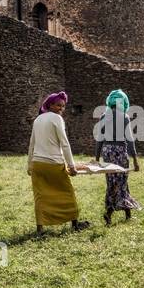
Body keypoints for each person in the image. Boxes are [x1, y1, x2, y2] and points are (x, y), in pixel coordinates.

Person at [27, 91, 90, 234]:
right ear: (50, 105)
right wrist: (72, 166)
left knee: (40, 196)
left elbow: (32, 144)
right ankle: (75, 225)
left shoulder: (38, 119)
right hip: (54, 164)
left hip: (38, 164)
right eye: (58, 105)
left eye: (63, 106)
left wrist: (29, 164)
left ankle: (40, 229)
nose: (61, 109)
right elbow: (65, 143)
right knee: (67, 193)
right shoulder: (56, 119)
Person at [94, 89, 141, 224]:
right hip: (120, 151)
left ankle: (126, 214)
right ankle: (109, 213)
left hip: (107, 151)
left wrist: (97, 159)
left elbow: (99, 139)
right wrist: (135, 160)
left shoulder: (104, 116)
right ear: (123, 102)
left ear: (111, 102)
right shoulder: (124, 116)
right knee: (121, 181)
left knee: (112, 182)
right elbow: (130, 139)